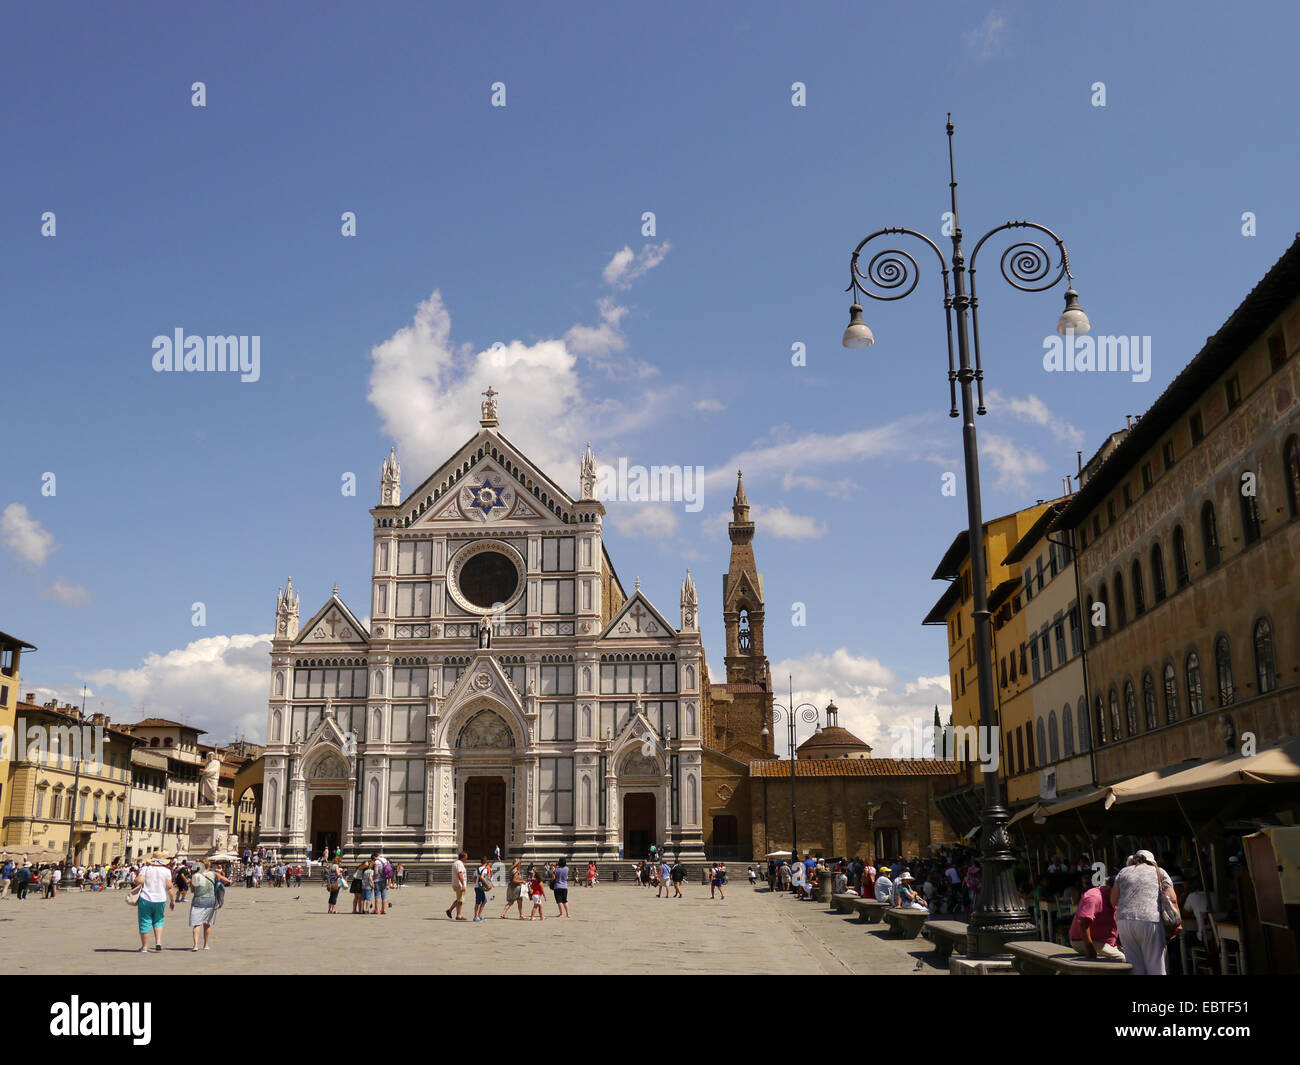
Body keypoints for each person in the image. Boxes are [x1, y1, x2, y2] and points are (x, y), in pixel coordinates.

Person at [1111, 849, 1179, 975]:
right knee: (1156, 965)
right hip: (1150, 919)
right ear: (1151, 861)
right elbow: (1172, 899)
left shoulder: (1123, 872)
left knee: (1135, 966)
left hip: (1124, 921)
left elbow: (1113, 900)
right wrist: (1176, 923)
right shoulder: (1159, 872)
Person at [1069, 878, 1123, 960]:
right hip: (1082, 941)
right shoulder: (1094, 897)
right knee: (1122, 959)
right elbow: (1083, 924)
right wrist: (1090, 950)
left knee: (1133, 957)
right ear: (1110, 889)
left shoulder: (1112, 896)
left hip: (1104, 942)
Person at [134, 852, 176, 952]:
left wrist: (137, 879)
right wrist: (173, 900)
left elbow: (139, 880)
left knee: (145, 921)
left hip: (146, 898)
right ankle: (158, 942)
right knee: (159, 920)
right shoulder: (167, 871)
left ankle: (144, 947)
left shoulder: (146, 869)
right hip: (161, 899)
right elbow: (169, 887)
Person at [188, 859, 231, 951]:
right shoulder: (214, 874)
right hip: (210, 900)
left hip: (198, 900)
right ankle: (206, 944)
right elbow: (227, 881)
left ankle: (195, 945)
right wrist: (217, 884)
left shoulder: (195, 876)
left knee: (196, 924)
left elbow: (192, 890)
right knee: (207, 924)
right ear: (208, 866)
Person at [446, 851, 468, 921]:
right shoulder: (460, 864)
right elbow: (460, 874)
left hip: (456, 883)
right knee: (460, 900)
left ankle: (450, 911)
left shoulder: (455, 863)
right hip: (459, 884)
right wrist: (463, 885)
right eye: (466, 857)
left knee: (459, 899)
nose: (466, 859)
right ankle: (458, 915)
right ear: (463, 858)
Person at [472, 856, 493, 922]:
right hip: (480, 888)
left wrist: (476, 883)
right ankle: (476, 917)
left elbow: (473, 878)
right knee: (479, 902)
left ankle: (478, 916)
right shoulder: (485, 869)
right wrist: (487, 885)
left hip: (476, 887)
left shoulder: (477, 869)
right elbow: (482, 877)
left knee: (483, 901)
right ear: (486, 862)